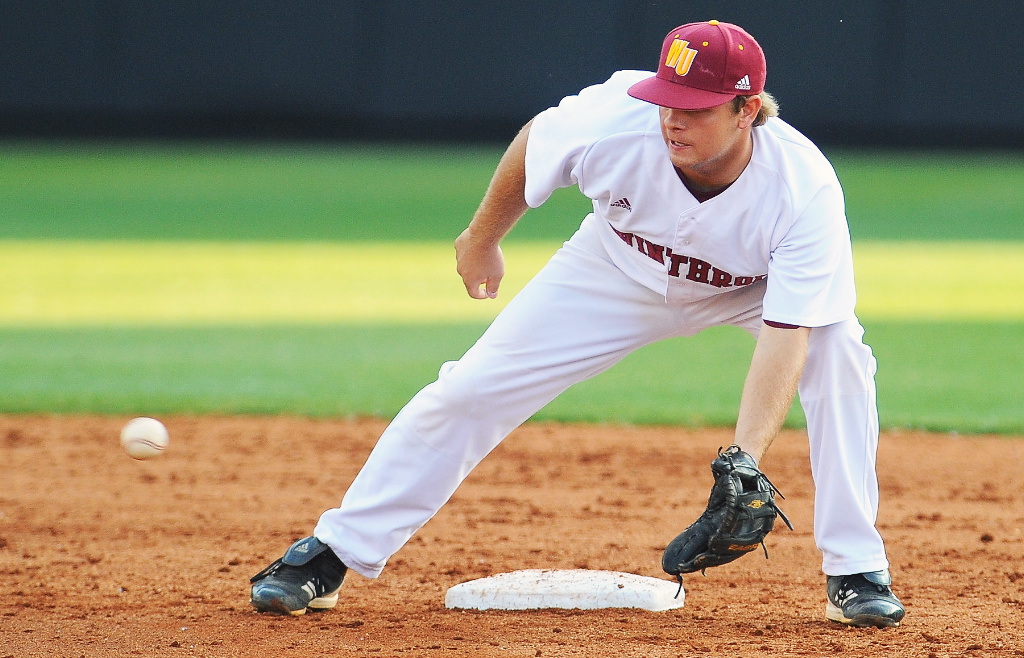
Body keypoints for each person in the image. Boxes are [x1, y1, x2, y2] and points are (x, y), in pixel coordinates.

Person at [249, 20, 905, 629]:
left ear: (748, 110)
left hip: (745, 290)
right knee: (471, 390)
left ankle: (854, 567)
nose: (674, 119)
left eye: (697, 106)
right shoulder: (617, 121)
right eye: (667, 98)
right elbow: (537, 142)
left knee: (840, 354)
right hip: (616, 267)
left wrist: (746, 456)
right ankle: (334, 552)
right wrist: (482, 237)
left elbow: (789, 331)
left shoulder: (802, 189)